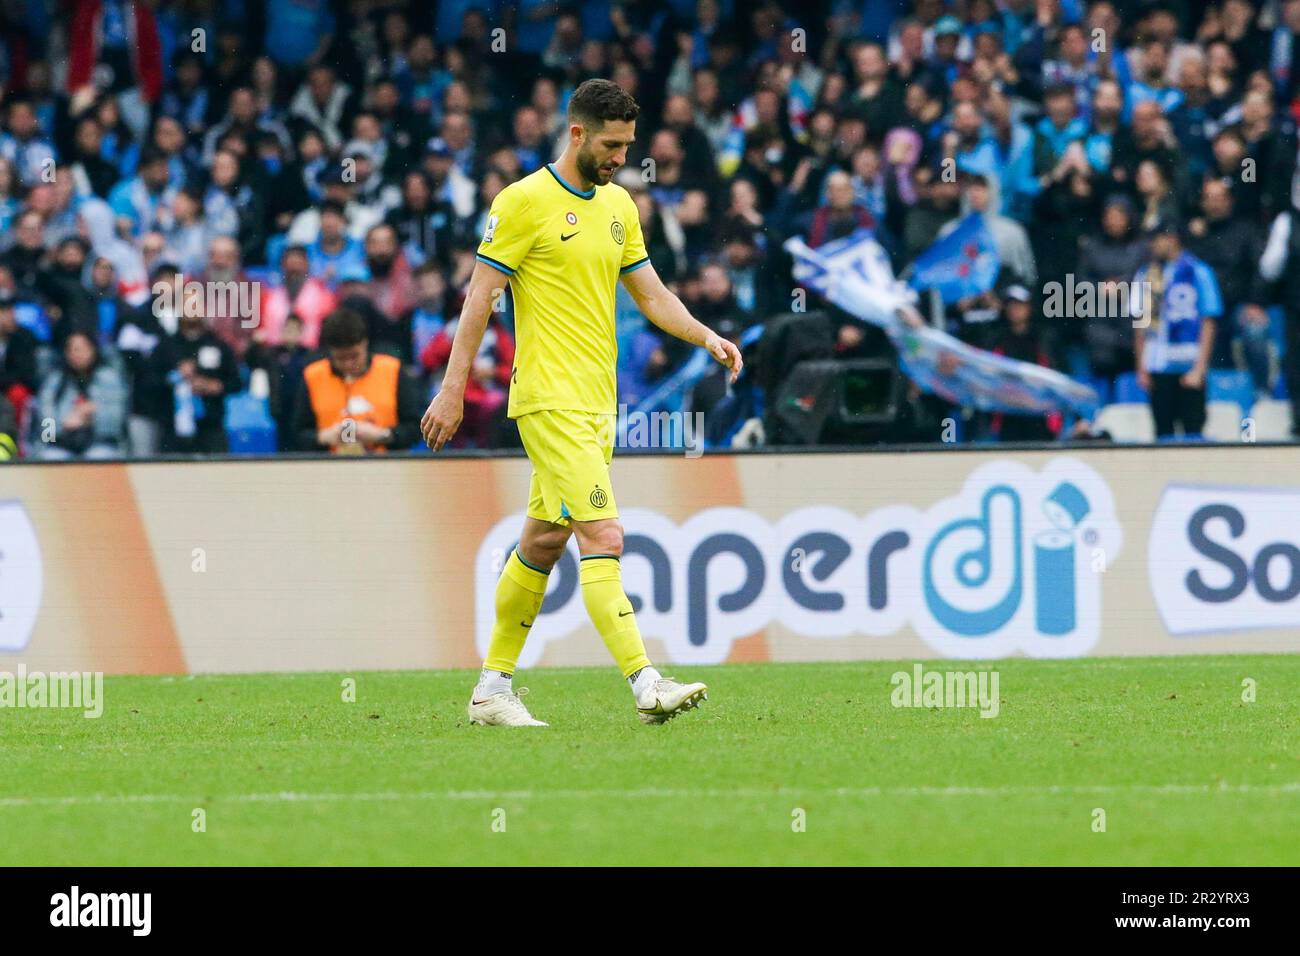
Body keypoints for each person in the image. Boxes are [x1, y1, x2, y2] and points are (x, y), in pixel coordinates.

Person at [420, 79, 742, 727]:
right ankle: (646, 683)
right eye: (612, 143)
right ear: (576, 133)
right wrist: (452, 388)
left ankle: (491, 690)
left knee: (542, 541)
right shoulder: (523, 202)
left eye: (628, 144)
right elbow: (480, 297)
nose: (622, 156)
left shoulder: (620, 204)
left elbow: (651, 296)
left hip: (598, 406)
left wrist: (706, 335)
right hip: (548, 400)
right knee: (604, 533)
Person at [1133, 220, 1222, 439]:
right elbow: (1140, 323)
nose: (1152, 245)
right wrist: (1142, 367)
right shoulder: (1146, 274)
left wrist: (1200, 368)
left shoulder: (1198, 271)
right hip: (1158, 364)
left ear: (1171, 238)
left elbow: (1208, 320)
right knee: (1162, 433)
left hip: (1188, 363)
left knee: (1193, 432)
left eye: (1156, 239)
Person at [293, 307, 423, 454]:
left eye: (354, 356)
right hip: (330, 468)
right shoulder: (313, 376)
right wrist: (323, 437)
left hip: (386, 466)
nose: (348, 364)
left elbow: (415, 428)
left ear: (365, 343)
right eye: (340, 358)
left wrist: (383, 435)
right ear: (330, 351)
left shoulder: (392, 370)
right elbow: (298, 434)